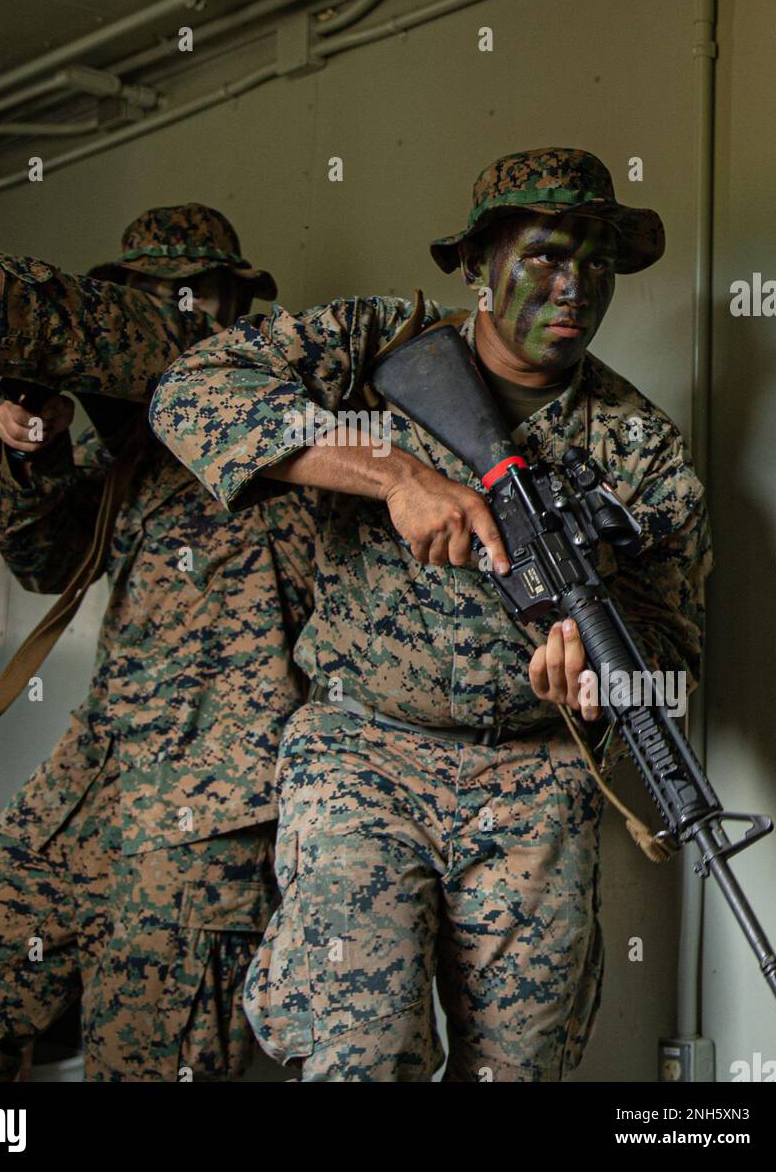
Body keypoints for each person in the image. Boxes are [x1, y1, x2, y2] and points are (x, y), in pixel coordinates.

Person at [148, 149, 713, 1082]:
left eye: (598, 262)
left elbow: (674, 652)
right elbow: (193, 394)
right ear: (474, 266)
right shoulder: (378, 346)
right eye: (542, 256)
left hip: (534, 779)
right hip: (364, 754)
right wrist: (394, 474)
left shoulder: (639, 445)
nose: (573, 286)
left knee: (519, 1068)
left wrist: (602, 674)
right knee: (361, 1051)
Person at [0, 205, 317, 1082]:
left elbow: (163, 351)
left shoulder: (287, 414)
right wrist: (34, 450)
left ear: (235, 305)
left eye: (193, 297)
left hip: (212, 805)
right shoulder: (126, 456)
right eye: (145, 294)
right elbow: (42, 561)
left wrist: (5, 304)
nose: (172, 312)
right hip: (94, 778)